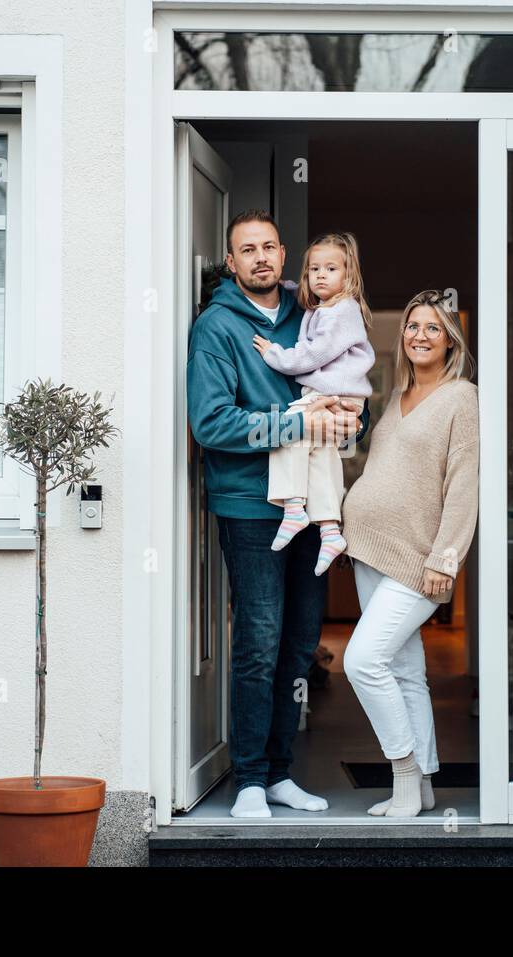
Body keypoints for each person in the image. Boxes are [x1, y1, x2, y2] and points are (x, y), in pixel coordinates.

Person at [186, 209, 370, 818]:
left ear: (284, 254)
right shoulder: (216, 328)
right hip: (251, 505)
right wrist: (295, 421)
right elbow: (210, 423)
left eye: (269, 247)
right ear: (232, 261)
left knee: (298, 647)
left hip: (313, 507)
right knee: (260, 645)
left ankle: (281, 772)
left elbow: (343, 393)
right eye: (247, 249)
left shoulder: (311, 314)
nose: (260, 257)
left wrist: (350, 418)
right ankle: (248, 780)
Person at [339, 289, 480, 817]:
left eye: (433, 328)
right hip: (370, 549)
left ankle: (401, 773)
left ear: (451, 342)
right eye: (413, 326)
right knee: (404, 672)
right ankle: (421, 787)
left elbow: (464, 484)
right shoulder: (396, 397)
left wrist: (446, 557)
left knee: (362, 661)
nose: (420, 335)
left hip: (418, 559)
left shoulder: (461, 398)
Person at [251, 231, 376, 575]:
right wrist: (289, 287)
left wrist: (275, 355)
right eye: (314, 270)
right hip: (336, 394)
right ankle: (331, 529)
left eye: (331, 269)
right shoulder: (326, 307)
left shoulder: (339, 312)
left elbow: (314, 354)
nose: (320, 275)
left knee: (287, 435)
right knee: (321, 457)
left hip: (331, 395)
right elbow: (301, 296)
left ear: (348, 276)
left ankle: (293, 506)